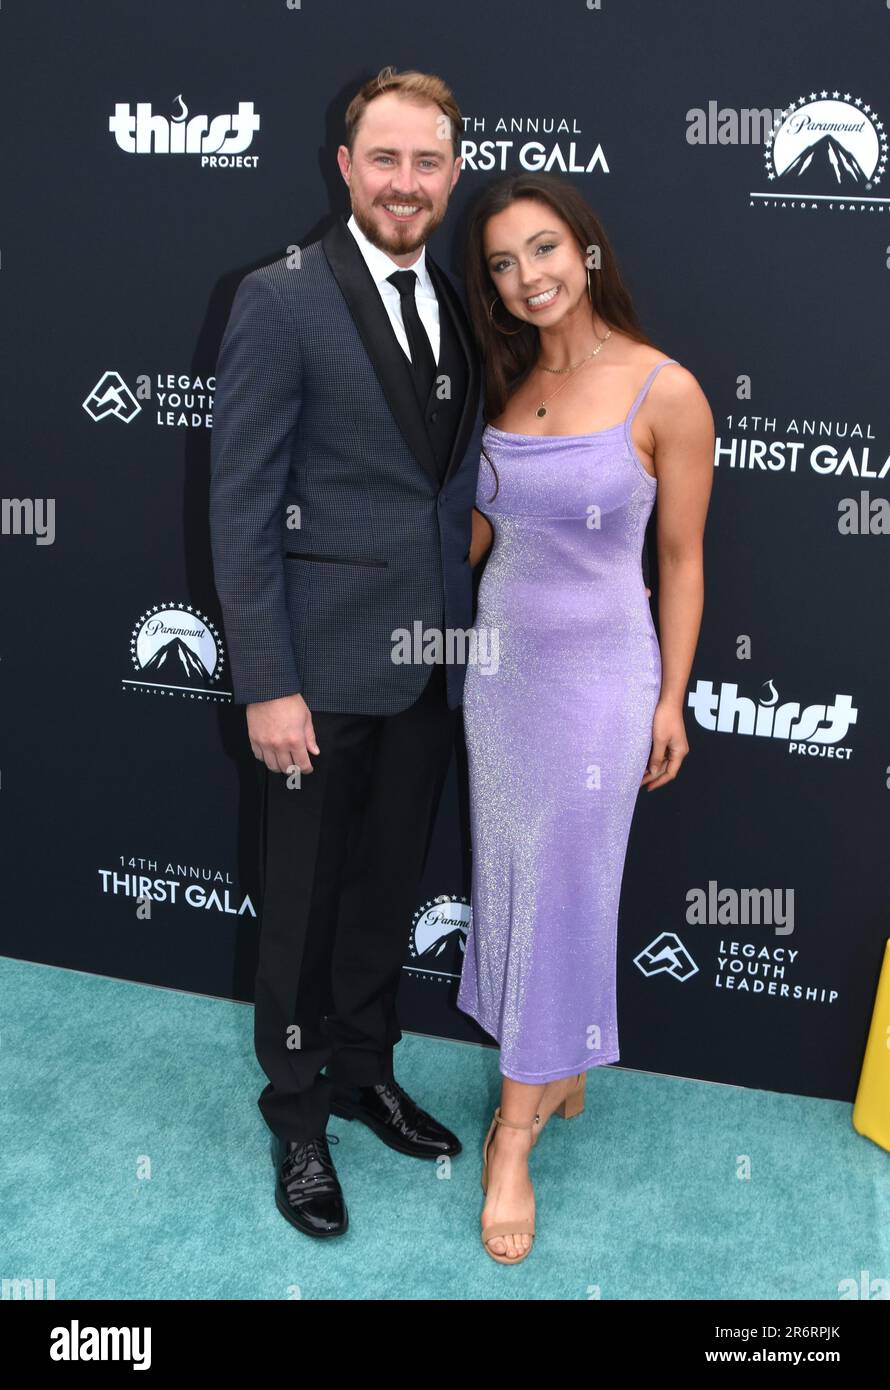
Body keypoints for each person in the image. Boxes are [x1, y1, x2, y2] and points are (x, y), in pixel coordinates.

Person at [209, 67, 483, 1239]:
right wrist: (267, 678)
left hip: (427, 667)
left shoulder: (459, 299)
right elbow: (240, 508)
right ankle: (296, 1116)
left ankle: (365, 1069)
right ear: (345, 166)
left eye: (426, 162)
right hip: (313, 678)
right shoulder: (277, 300)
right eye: (384, 160)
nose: (405, 183)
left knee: (383, 890)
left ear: (451, 173)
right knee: (302, 909)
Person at [456, 173, 715, 1263]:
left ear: (588, 249)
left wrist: (670, 697)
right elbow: (472, 545)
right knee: (513, 879)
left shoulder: (664, 390)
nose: (528, 278)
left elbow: (682, 560)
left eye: (545, 248)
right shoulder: (504, 389)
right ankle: (553, 1061)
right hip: (497, 680)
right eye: (504, 265)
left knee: (565, 882)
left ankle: (512, 1132)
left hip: (601, 681)